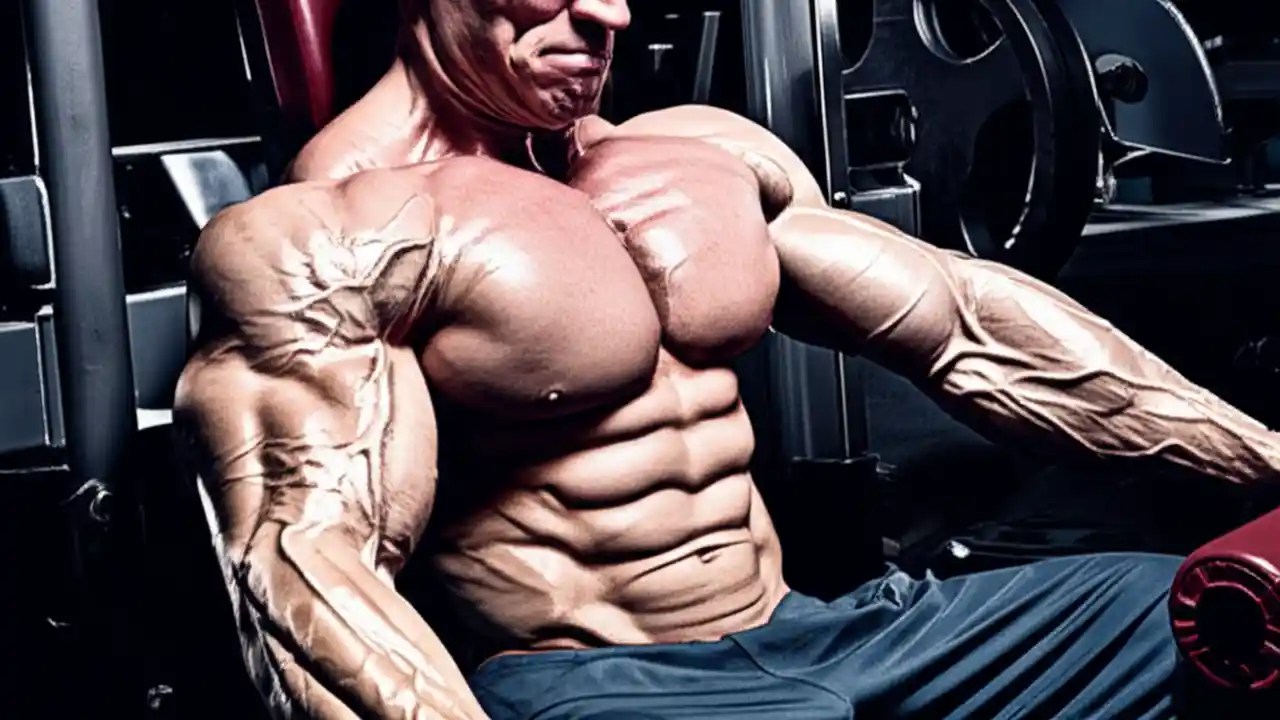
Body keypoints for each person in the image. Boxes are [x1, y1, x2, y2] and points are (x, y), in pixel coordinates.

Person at [174, 1, 1280, 718]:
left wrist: (1269, 462)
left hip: (831, 629)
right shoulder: (326, 234)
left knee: (1187, 618)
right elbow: (306, 569)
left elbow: (968, 328)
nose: (605, 15)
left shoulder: (701, 155)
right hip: (603, 689)